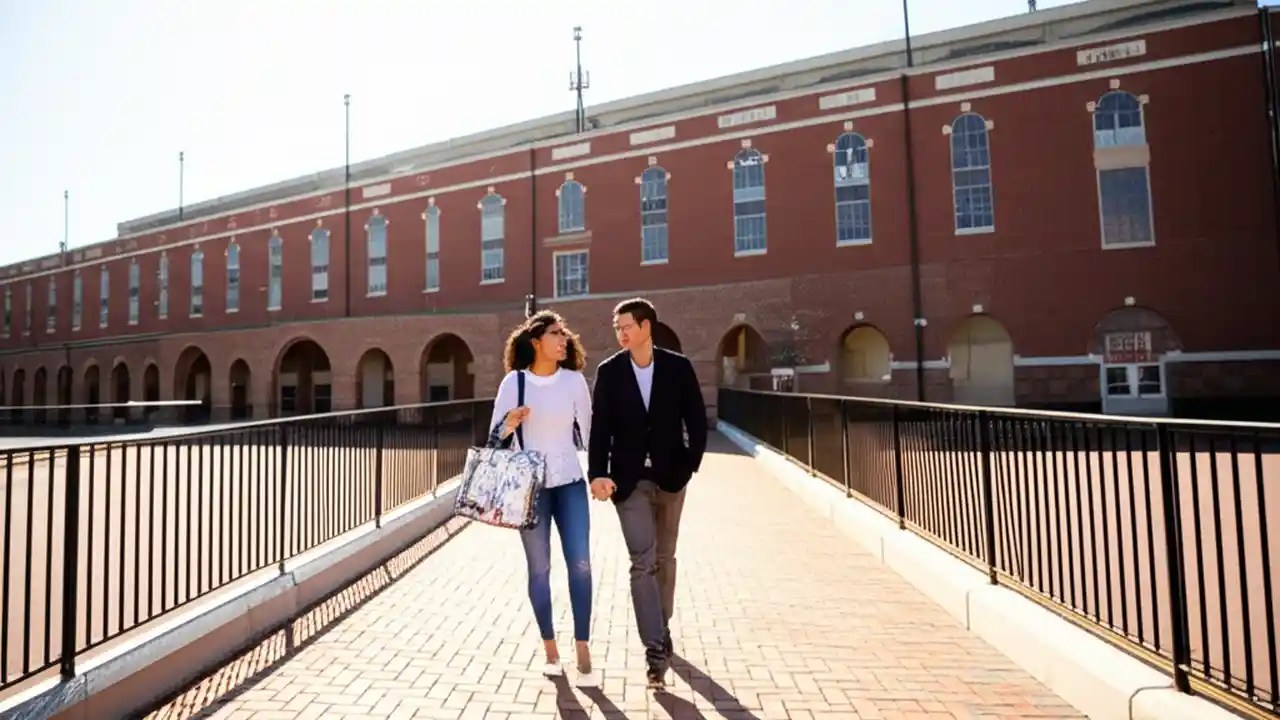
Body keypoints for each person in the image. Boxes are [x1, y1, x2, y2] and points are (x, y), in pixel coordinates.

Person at [586, 297, 707, 690]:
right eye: (616, 327)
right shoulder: (609, 372)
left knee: (665, 558)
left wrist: (690, 463)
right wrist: (598, 473)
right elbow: (600, 427)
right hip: (629, 480)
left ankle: (662, 625)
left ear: (646, 327)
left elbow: (696, 418)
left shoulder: (678, 367)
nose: (620, 333)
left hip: (672, 477)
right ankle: (655, 648)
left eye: (626, 326)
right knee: (643, 561)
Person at [487, 310, 597, 684]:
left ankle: (582, 644)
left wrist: (600, 476)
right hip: (529, 491)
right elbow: (494, 439)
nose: (564, 339)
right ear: (536, 342)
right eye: (556, 334)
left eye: (565, 334)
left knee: (580, 564)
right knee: (540, 569)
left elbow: (592, 432)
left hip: (570, 484)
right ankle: (550, 648)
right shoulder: (513, 383)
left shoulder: (574, 382)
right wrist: (510, 423)